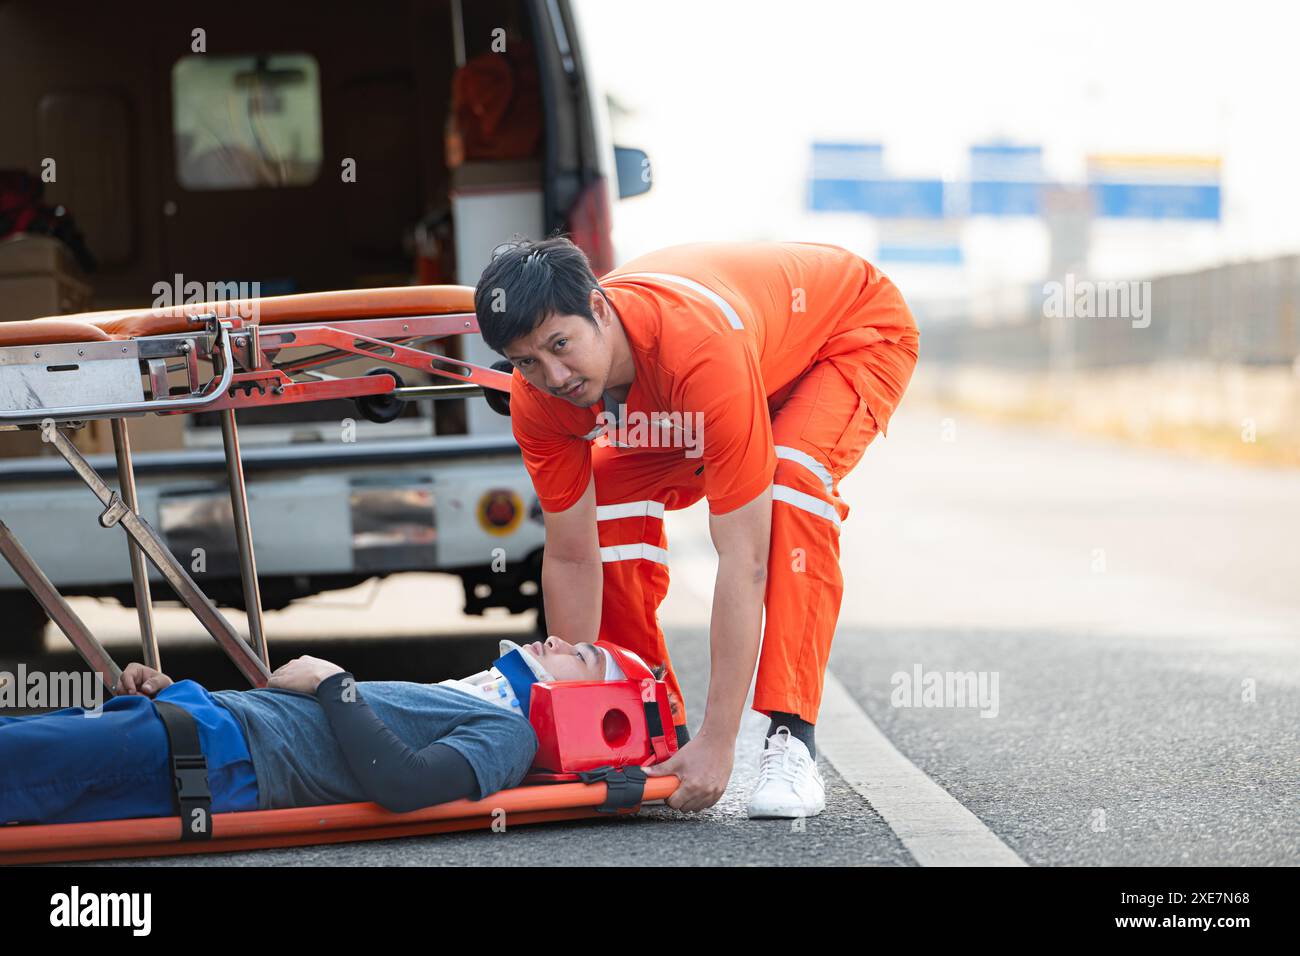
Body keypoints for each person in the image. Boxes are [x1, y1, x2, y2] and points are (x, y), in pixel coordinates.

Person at [475, 237, 920, 818]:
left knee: (790, 484)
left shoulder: (696, 349)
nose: (554, 375)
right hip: (740, 368)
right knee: (605, 494)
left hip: (846, 336)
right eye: (527, 361)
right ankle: (648, 727)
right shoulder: (538, 397)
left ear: (599, 308)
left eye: (562, 345)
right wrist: (575, 718)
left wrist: (720, 741)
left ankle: (792, 740)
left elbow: (745, 559)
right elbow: (571, 556)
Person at [0, 637, 651, 827]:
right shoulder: (465, 699)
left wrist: (334, 683)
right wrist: (170, 694)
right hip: (194, 724)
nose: (563, 639)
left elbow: (405, 784)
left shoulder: (508, 735)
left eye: (583, 654)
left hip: (215, 755)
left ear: (590, 698)